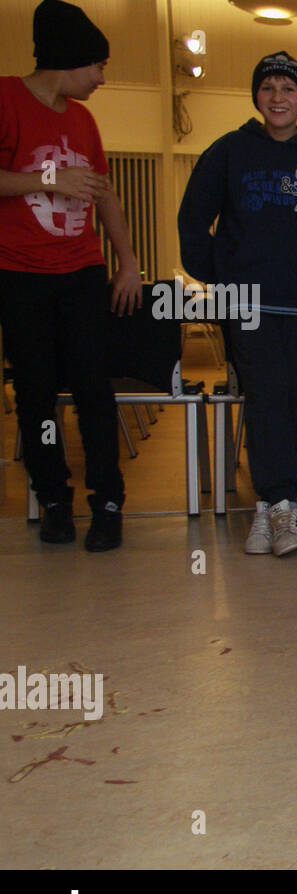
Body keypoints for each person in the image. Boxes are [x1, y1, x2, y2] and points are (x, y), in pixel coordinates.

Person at [178, 51, 297, 557]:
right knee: (265, 398)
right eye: (268, 88)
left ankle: (282, 504)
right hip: (248, 303)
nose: (278, 98)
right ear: (256, 96)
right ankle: (275, 506)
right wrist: (219, 274)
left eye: (288, 89)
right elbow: (192, 219)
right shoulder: (228, 151)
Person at [0, 0, 142, 552]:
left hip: (81, 271)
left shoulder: (83, 120)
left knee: (94, 391)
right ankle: (54, 499)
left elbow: (103, 195)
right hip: (20, 274)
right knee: (35, 394)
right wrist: (51, 179)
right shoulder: (7, 97)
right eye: (99, 66)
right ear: (70, 60)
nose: (103, 77)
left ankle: (108, 501)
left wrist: (126, 261)